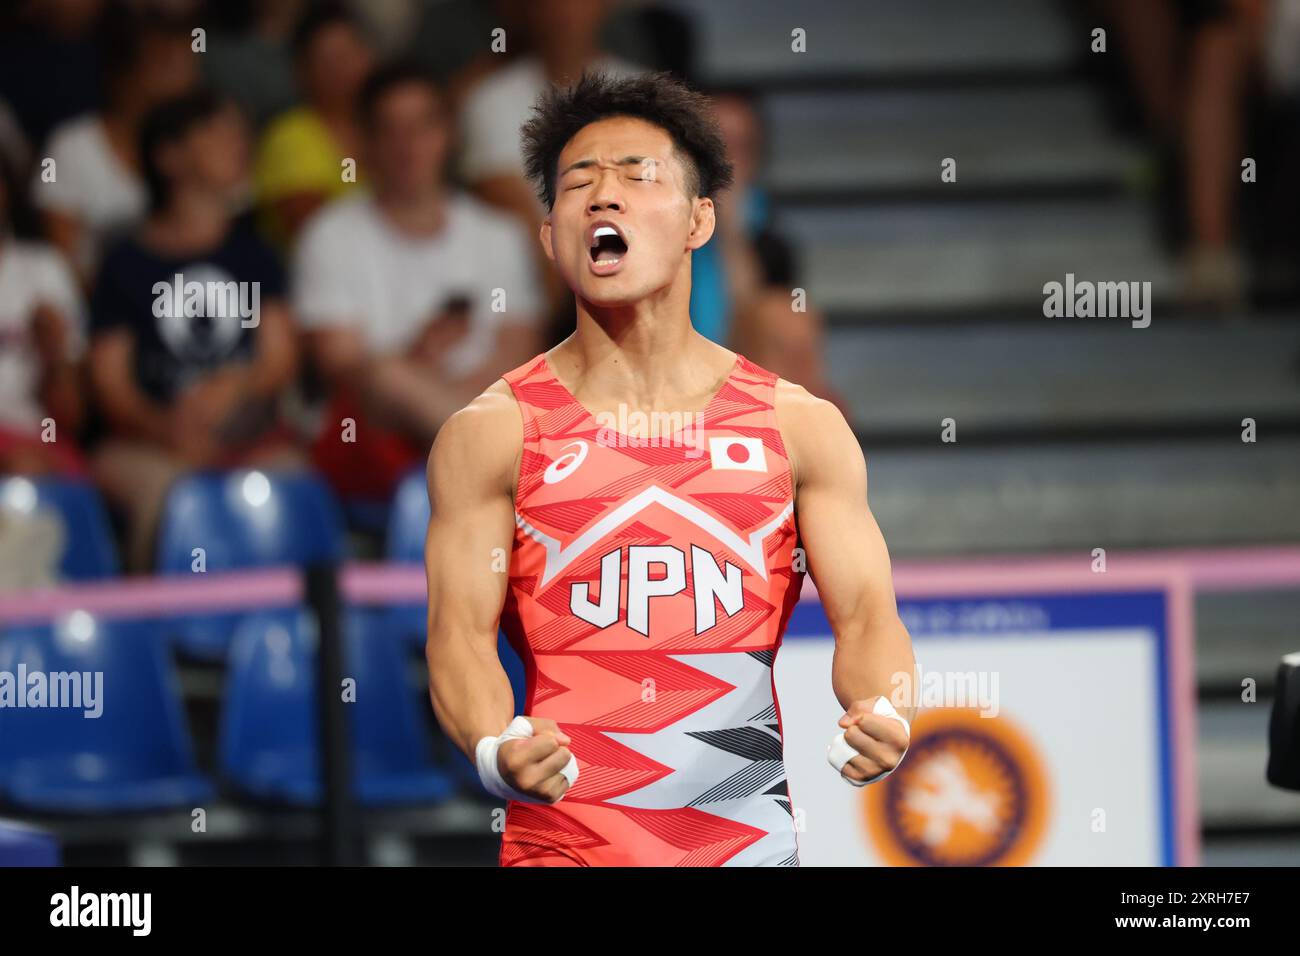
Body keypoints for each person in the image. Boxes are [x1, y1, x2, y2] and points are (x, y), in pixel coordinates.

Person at [423, 71, 916, 866]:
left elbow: (867, 617)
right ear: (550, 237)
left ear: (699, 220)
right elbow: (458, 639)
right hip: (565, 848)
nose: (603, 197)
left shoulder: (799, 429)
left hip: (747, 844)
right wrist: (495, 746)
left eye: (636, 175)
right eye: (579, 183)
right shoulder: (492, 434)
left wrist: (884, 710)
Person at [293, 62, 542, 501]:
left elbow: (517, 357)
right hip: (375, 443)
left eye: (423, 126)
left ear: (449, 134)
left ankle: (489, 456)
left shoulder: (499, 235)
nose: (407, 146)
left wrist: (433, 385)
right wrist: (419, 356)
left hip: (483, 411)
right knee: (387, 374)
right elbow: (348, 372)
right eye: (391, 130)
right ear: (365, 143)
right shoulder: (328, 235)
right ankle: (505, 465)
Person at [88, 90, 300, 571]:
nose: (237, 145)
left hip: (248, 437)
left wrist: (235, 386)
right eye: (217, 133)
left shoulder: (255, 254)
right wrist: (164, 429)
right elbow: (111, 385)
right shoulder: (124, 263)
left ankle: (293, 630)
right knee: (165, 490)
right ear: (169, 157)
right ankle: (150, 629)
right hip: (148, 445)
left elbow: (278, 361)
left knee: (291, 479)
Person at [32, 5, 199, 285]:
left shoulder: (200, 149)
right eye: (165, 64)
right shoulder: (70, 148)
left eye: (187, 64)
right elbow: (61, 263)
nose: (182, 80)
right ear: (123, 73)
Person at [252, 1, 374, 250]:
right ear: (302, 71)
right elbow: (314, 232)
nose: (341, 69)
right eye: (327, 60)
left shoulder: (389, 129)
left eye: (348, 54)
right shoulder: (289, 136)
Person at [0, 151, 87, 476]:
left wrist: (54, 355)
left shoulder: (44, 269)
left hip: (34, 439)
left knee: (31, 470)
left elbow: (71, 418)